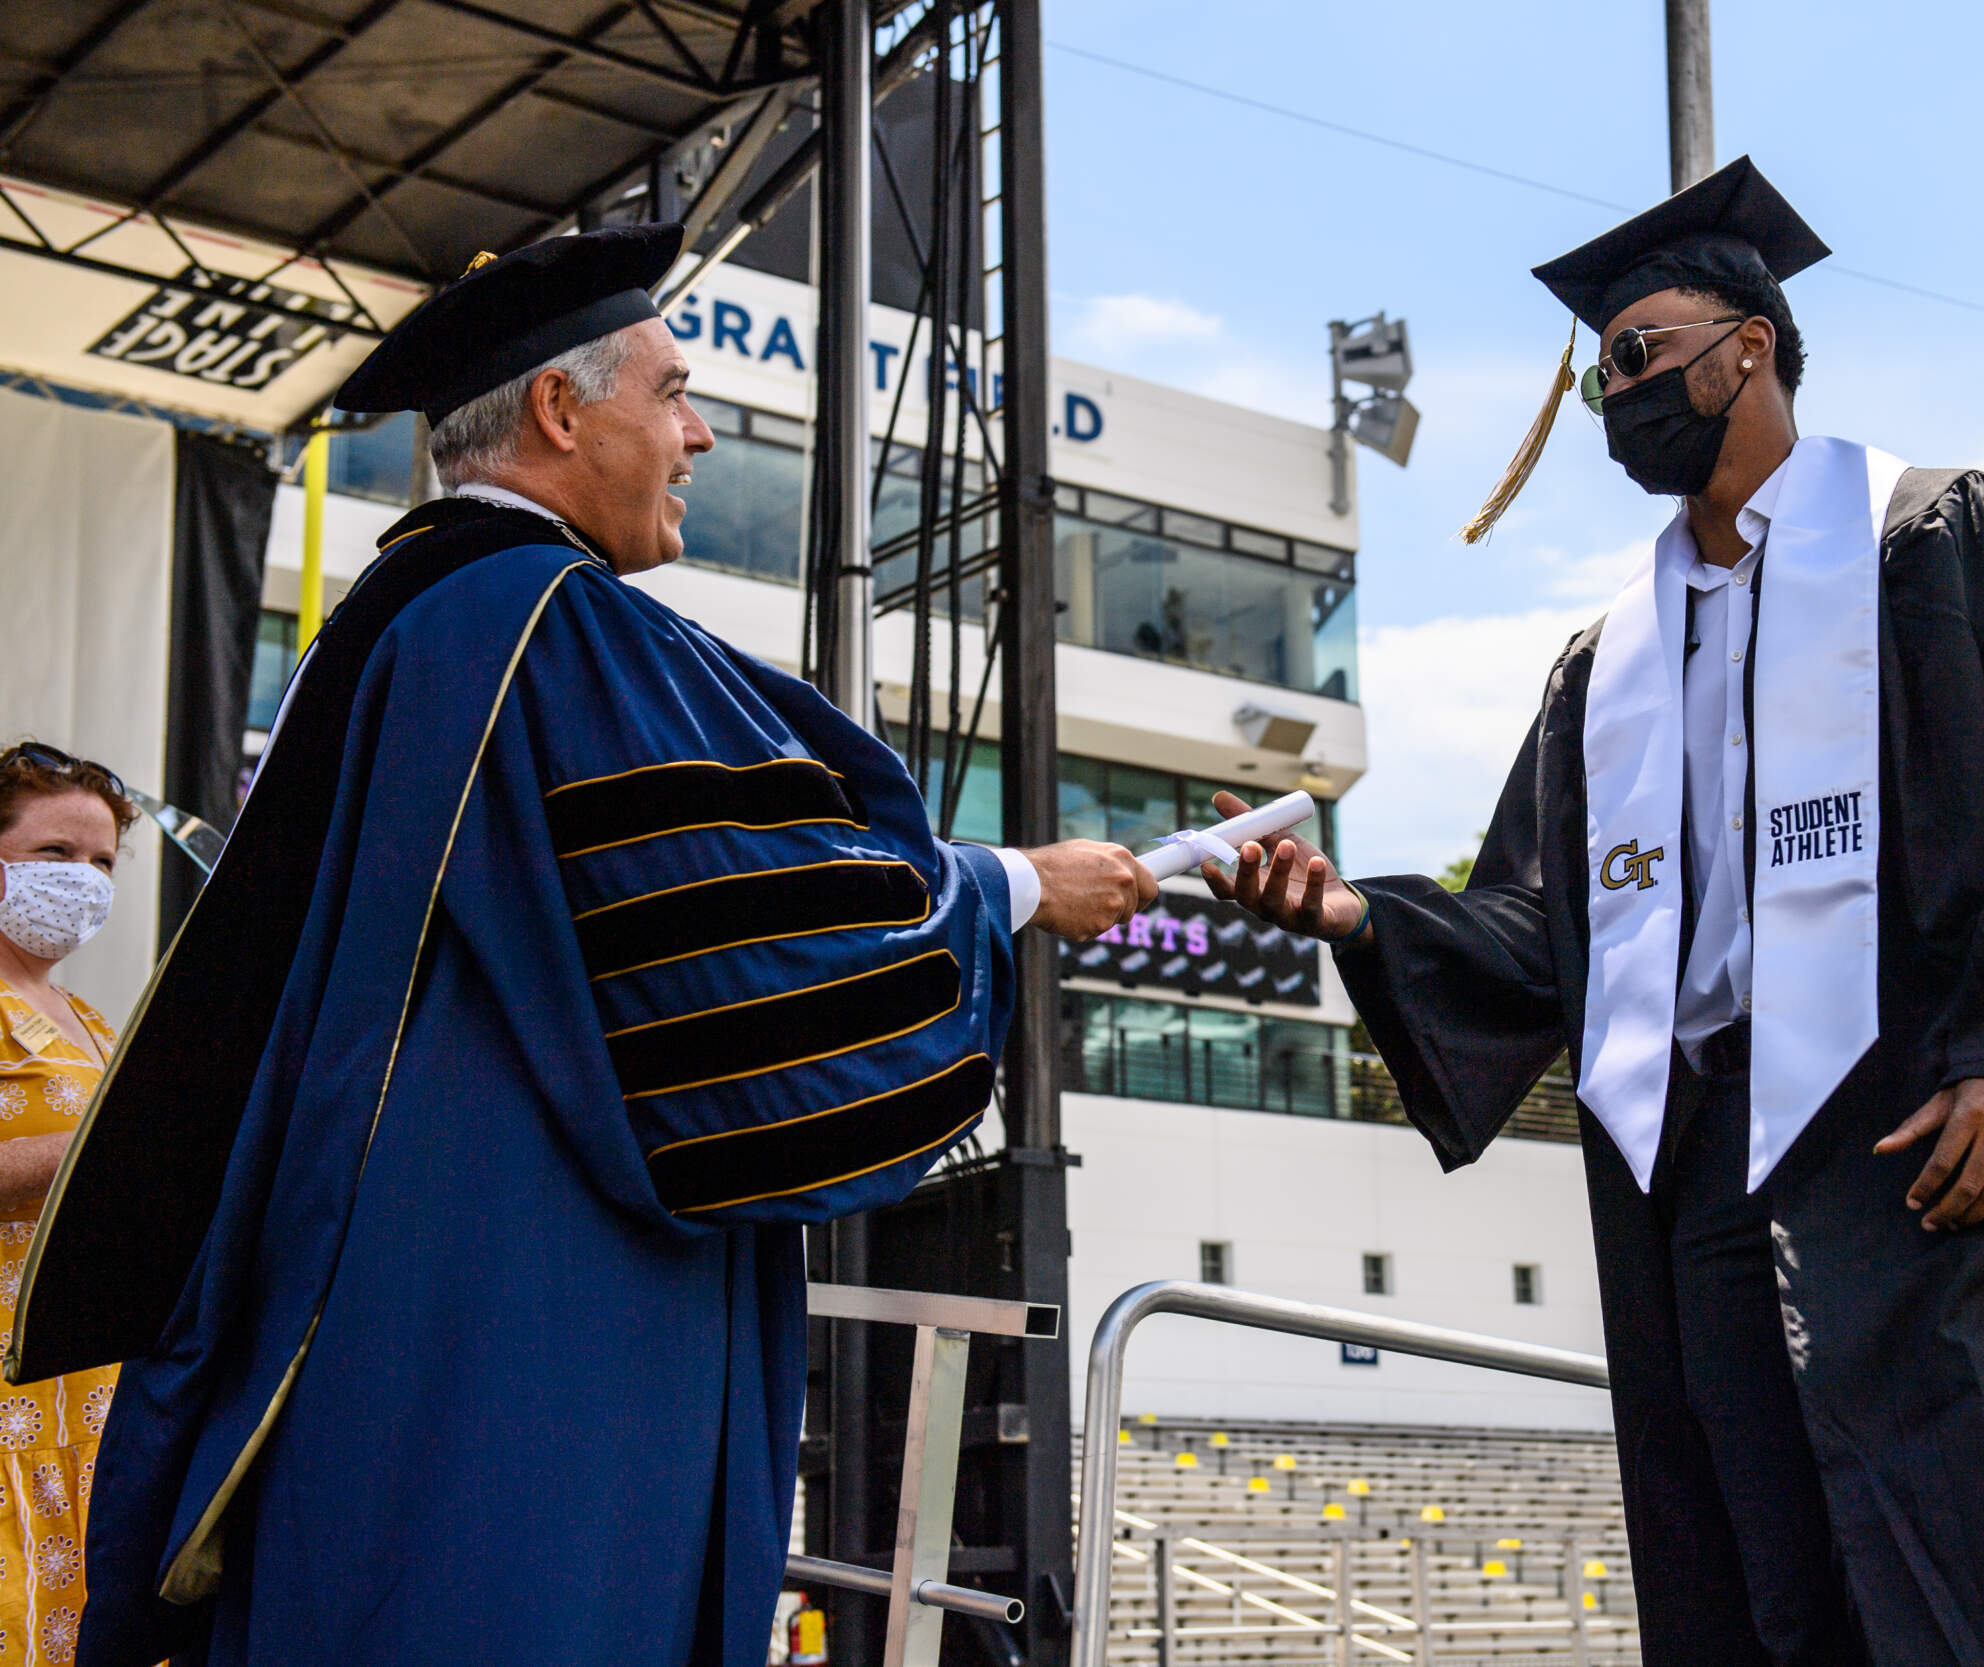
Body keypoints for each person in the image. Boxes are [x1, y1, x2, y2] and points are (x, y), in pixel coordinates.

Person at [24, 224, 1156, 1667]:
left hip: (375, 1287)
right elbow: (757, 939)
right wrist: (1006, 886)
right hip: (528, 1319)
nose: (698, 435)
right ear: (561, 410)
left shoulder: (381, 628)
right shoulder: (551, 628)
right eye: (674, 393)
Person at [1204, 157, 1984, 1666]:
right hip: (1691, 1162)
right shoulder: (1609, 661)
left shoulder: (1939, 540)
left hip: (1902, 1127)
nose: (1617, 392)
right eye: (1601, 373)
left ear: (1748, 346)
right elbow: (1547, 926)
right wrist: (1363, 915)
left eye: (1641, 353)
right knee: (1744, 1560)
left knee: (1940, 1538)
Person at [0, 741, 136, 1667]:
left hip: (91, 1398)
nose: (83, 880)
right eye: (55, 853)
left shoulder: (90, 1019)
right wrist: (113, 1145)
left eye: (102, 862)